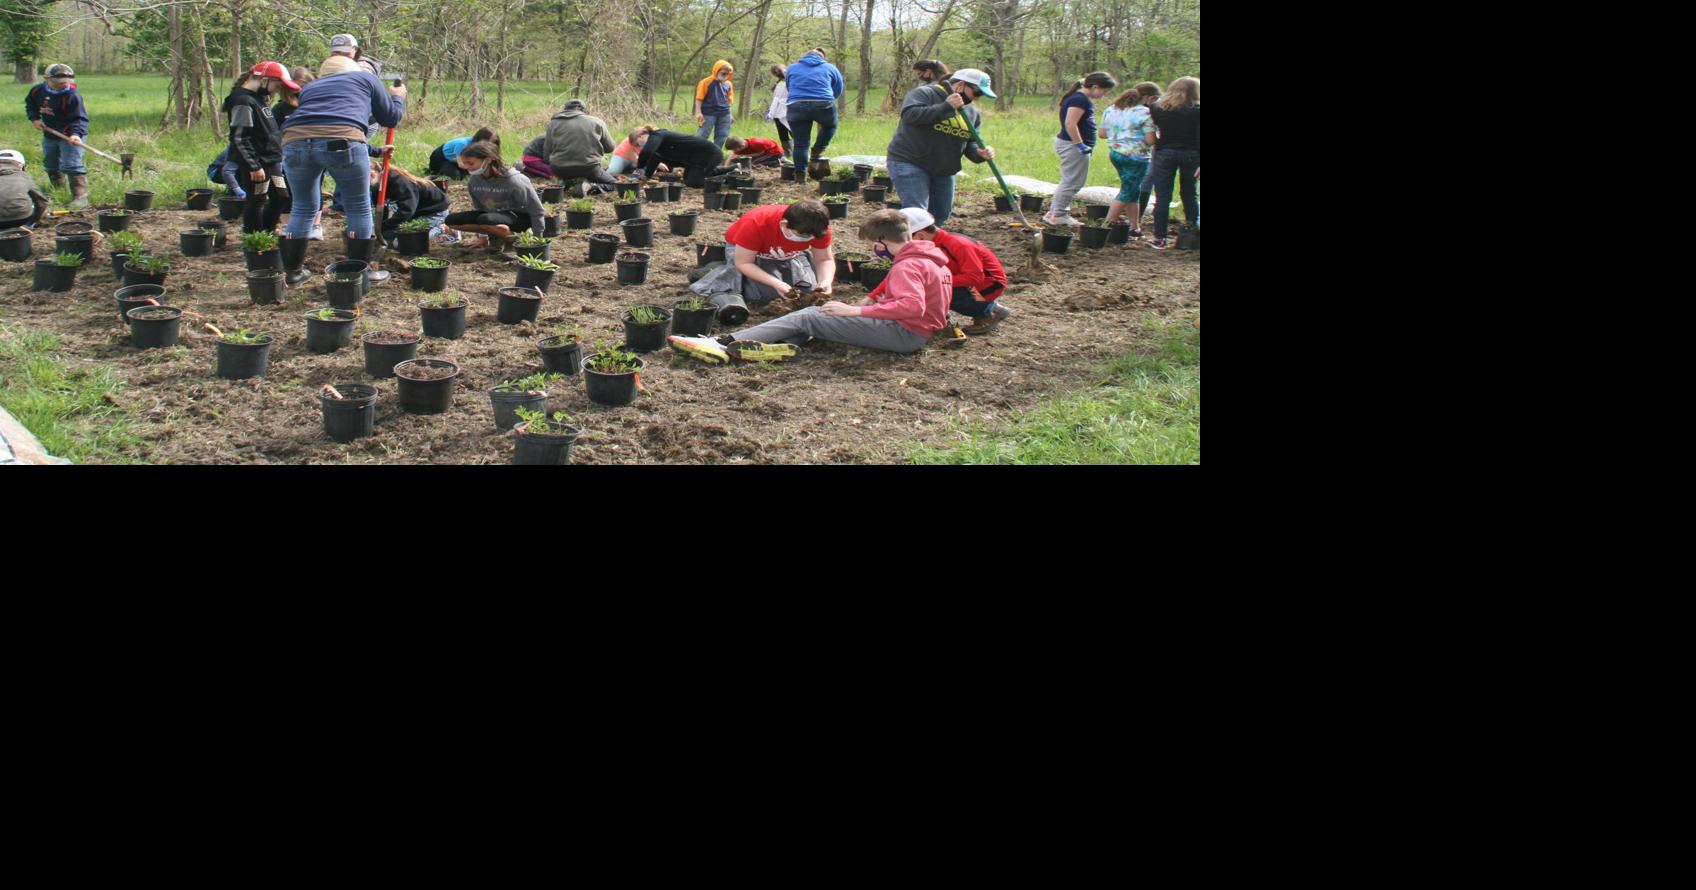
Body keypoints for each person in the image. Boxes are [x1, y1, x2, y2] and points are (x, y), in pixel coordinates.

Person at [670, 209, 949, 361]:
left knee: (810, 315)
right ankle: (776, 346)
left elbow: (912, 306)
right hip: (912, 332)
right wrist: (869, 300)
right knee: (816, 320)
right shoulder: (928, 258)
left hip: (904, 335)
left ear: (882, 243)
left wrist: (856, 312)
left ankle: (721, 343)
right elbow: (906, 292)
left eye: (873, 246)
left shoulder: (907, 266)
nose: (874, 251)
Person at [278, 53, 406, 285]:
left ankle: (293, 273)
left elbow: (331, 114)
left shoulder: (310, 87)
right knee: (358, 206)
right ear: (352, 69)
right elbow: (391, 118)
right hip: (342, 143)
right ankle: (358, 273)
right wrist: (397, 98)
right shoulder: (365, 79)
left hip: (294, 142)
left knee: (302, 206)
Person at [865, 208, 1010, 335]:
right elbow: (894, 275)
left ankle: (988, 311)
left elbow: (975, 277)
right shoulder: (926, 247)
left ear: (920, 236)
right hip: (966, 281)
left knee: (934, 291)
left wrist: (936, 282)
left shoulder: (959, 245)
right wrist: (872, 297)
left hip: (989, 285)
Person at [884, 68, 998, 227]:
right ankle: (909, 249)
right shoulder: (926, 93)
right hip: (910, 162)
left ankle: (928, 249)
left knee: (941, 214)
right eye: (977, 93)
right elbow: (910, 115)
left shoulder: (972, 112)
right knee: (918, 215)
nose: (977, 99)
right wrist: (946, 107)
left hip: (943, 170)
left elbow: (969, 143)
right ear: (961, 85)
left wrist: (980, 153)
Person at [687, 199, 836, 309]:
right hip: (748, 254)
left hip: (786, 254)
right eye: (802, 235)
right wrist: (776, 283)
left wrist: (825, 281)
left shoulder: (818, 228)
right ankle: (715, 271)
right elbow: (744, 263)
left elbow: (824, 259)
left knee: (805, 291)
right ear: (784, 224)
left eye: (811, 237)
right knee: (764, 296)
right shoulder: (755, 224)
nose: (807, 239)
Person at [224, 61, 299, 235]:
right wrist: (253, 165)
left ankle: (266, 232)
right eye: (276, 84)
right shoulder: (243, 100)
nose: (276, 89)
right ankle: (254, 239)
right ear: (264, 79)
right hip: (258, 164)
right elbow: (240, 136)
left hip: (271, 161)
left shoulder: (258, 99)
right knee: (256, 200)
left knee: (281, 197)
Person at [443, 140, 546, 260]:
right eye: (465, 163)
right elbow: (480, 209)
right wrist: (482, 237)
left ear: (487, 160)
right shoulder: (474, 180)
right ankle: (496, 237)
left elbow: (537, 211)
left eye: (471, 163)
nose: (466, 167)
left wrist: (537, 240)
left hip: (520, 218)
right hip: (492, 216)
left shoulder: (515, 181)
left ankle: (514, 242)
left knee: (486, 219)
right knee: (452, 220)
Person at [1046, 71, 1117, 226]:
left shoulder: (1080, 98)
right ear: (1095, 86)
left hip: (1074, 145)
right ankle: (1058, 214)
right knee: (1071, 182)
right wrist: (1079, 144)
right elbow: (1070, 123)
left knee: (1071, 181)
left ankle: (1055, 212)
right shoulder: (1079, 99)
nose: (1103, 95)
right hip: (1073, 146)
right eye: (1104, 92)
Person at [25, 63, 91, 210]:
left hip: (71, 135)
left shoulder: (72, 96)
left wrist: (76, 134)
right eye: (58, 83)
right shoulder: (37, 91)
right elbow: (30, 104)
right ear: (47, 79)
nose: (61, 85)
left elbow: (79, 119)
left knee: (71, 164)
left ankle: (80, 198)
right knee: (51, 164)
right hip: (50, 134)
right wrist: (34, 118)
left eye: (64, 83)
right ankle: (58, 190)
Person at [1145, 75, 1199, 250]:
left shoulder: (1156, 108)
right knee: (1189, 193)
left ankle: (1160, 238)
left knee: (1163, 197)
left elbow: (1153, 130)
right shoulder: (1197, 110)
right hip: (1191, 153)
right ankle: (1191, 233)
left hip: (1164, 152)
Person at [1100, 81, 1159, 235]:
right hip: (1136, 158)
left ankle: (1134, 227)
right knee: (1127, 191)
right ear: (1150, 99)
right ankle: (1106, 226)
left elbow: (1102, 133)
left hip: (1116, 154)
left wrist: (1120, 132)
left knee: (1133, 190)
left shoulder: (1112, 109)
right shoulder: (1144, 113)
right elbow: (1150, 140)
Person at [784, 48, 845, 185]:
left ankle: (800, 177)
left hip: (796, 105)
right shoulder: (830, 67)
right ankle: (818, 150)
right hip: (823, 104)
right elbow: (838, 88)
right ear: (822, 57)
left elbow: (789, 86)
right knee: (830, 125)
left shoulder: (792, 68)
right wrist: (827, 99)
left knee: (800, 144)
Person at [543, 99, 617, 195]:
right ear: (583, 110)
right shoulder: (597, 122)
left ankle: (567, 181)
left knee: (565, 172)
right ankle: (590, 186)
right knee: (614, 184)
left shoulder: (552, 124)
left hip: (559, 169)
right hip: (588, 168)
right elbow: (610, 148)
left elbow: (547, 152)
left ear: (565, 109)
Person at [371, 162, 450, 244]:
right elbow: (382, 210)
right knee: (386, 234)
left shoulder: (400, 182)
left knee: (402, 242)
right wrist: (379, 228)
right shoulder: (376, 186)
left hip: (434, 213)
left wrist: (382, 227)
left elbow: (407, 211)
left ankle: (441, 228)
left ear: (372, 175)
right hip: (415, 215)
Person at [634, 129, 729, 188]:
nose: (640, 146)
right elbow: (653, 159)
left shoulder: (657, 135)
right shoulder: (656, 145)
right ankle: (730, 169)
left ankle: (727, 178)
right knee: (687, 179)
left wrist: (639, 168)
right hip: (695, 161)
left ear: (641, 136)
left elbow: (647, 152)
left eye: (638, 143)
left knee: (694, 183)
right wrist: (646, 177)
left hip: (709, 155)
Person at [0, 150, 50, 232]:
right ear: (20, 165)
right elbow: (42, 202)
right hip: (21, 219)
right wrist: (34, 220)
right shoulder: (24, 176)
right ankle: (27, 227)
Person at [693, 60, 735, 150]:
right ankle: (695, 154)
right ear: (717, 70)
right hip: (708, 113)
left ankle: (715, 157)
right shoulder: (705, 82)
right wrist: (698, 112)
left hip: (724, 114)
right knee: (703, 135)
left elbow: (728, 100)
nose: (725, 75)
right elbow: (699, 98)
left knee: (722, 136)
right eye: (723, 73)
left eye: (727, 74)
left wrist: (730, 115)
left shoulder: (728, 84)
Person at [429, 127, 497, 179]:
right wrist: (473, 171)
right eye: (488, 142)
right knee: (456, 176)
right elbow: (461, 164)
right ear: (482, 139)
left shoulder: (477, 147)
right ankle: (438, 172)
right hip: (441, 158)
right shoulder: (463, 144)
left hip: (455, 161)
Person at [766, 65, 792, 157]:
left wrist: (771, 113)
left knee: (790, 132)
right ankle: (789, 152)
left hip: (786, 110)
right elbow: (776, 99)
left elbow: (777, 99)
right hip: (780, 111)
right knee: (785, 133)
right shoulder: (780, 83)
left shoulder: (789, 81)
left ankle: (796, 151)